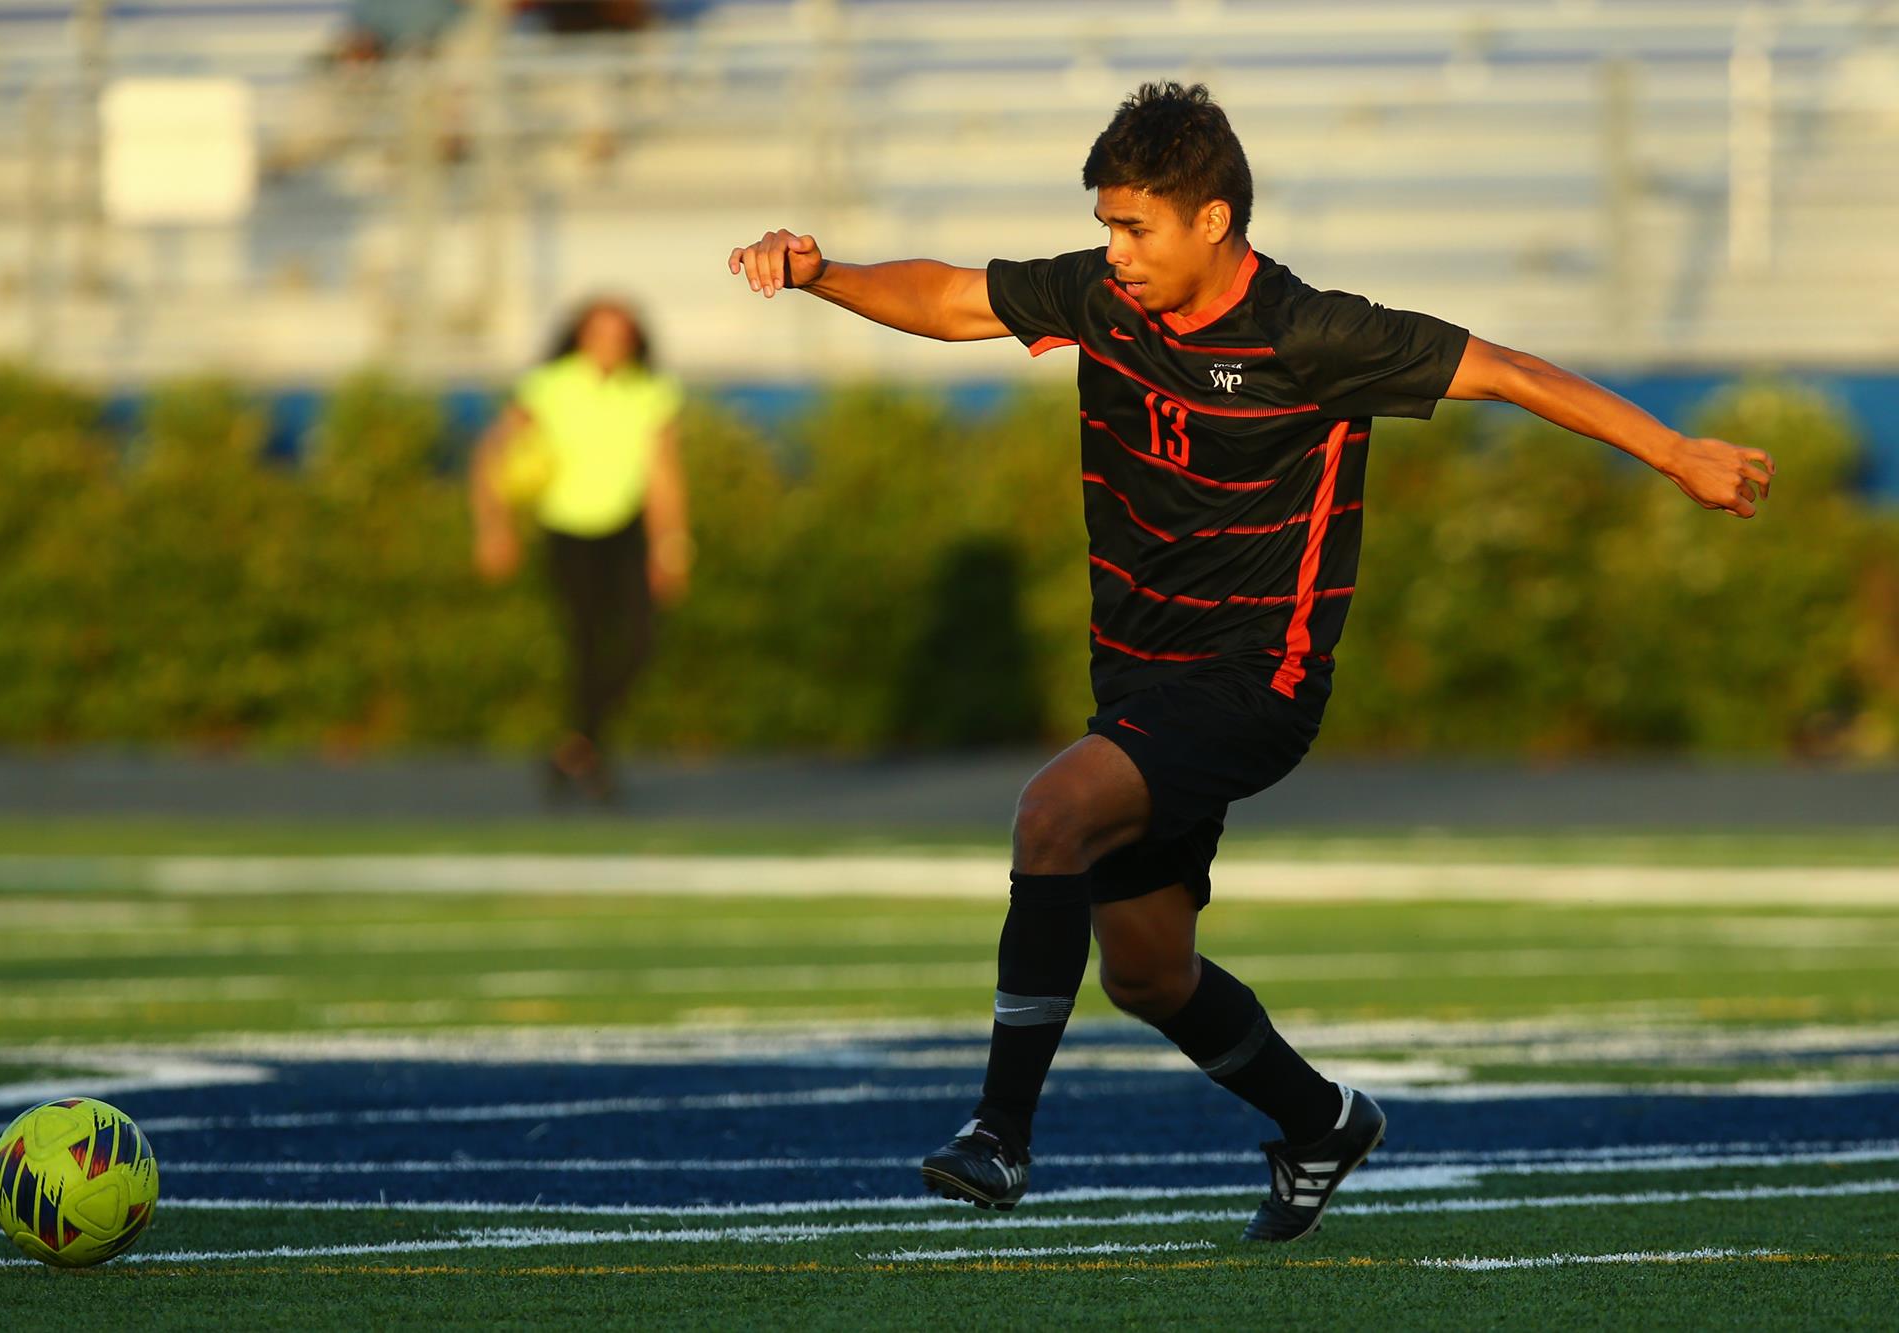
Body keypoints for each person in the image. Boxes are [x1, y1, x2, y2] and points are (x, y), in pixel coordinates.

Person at [727, 82, 1774, 1242]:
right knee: (1145, 971)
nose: (1111, 252)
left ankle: (997, 1137)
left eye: (1135, 228)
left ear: (1212, 221)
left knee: (1048, 815)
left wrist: (1674, 451)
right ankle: (1321, 1121)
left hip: (1253, 682)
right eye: (1105, 225)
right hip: (1134, 678)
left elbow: (1507, 370)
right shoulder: (1097, 296)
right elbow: (948, 296)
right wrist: (823, 274)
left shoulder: (1309, 333)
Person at [469, 298, 691, 802]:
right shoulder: (550, 386)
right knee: (588, 645)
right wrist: (493, 526)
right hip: (568, 529)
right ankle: (592, 759)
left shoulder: (650, 392)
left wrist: (671, 546)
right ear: (581, 336)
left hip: (626, 529)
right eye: (600, 332)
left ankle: (573, 748)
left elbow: (664, 477)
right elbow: (491, 452)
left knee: (639, 642)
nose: (610, 343)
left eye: (620, 333)